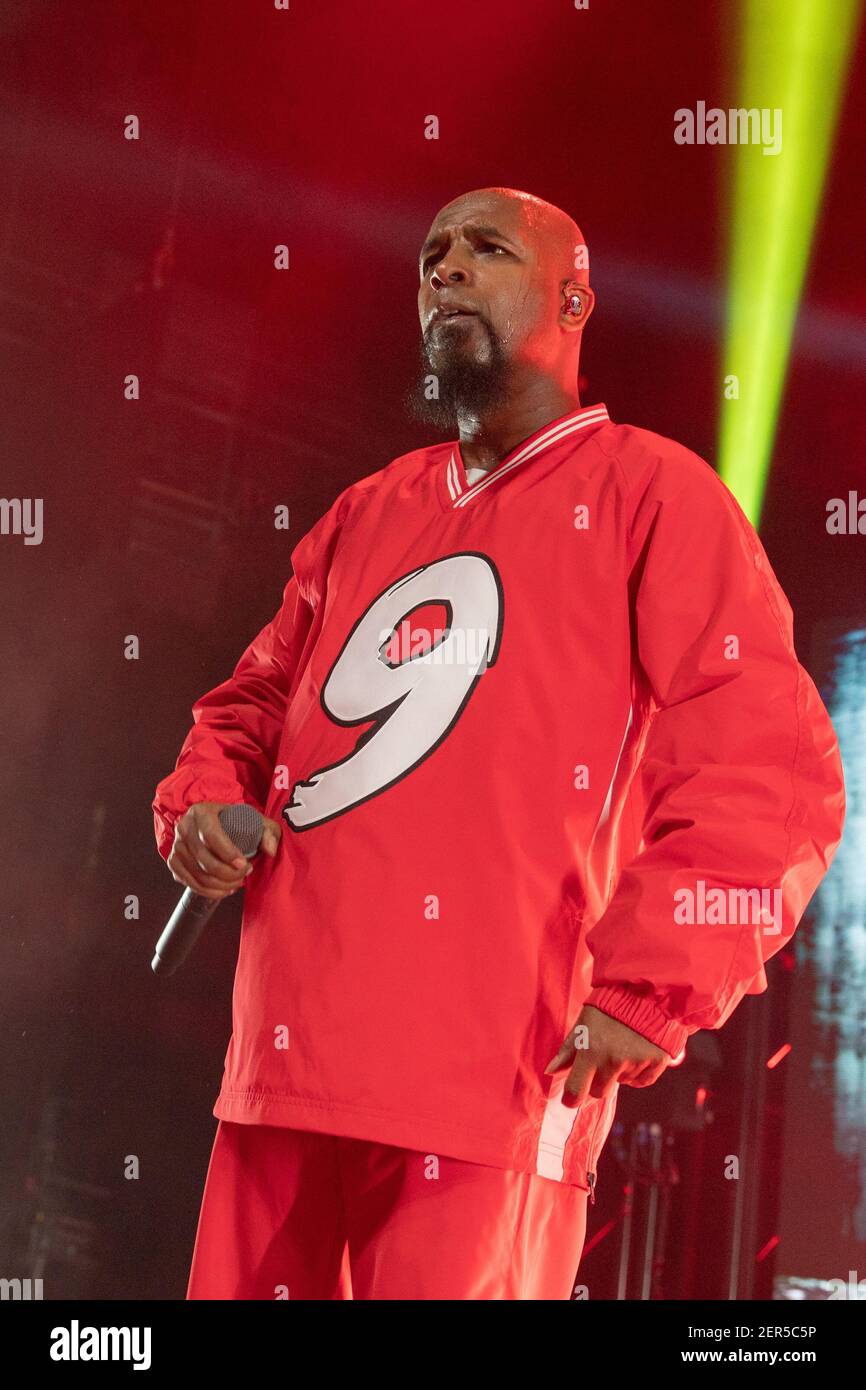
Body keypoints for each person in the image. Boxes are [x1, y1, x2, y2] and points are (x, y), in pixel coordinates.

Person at [153, 186, 845, 1300]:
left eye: (485, 249)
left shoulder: (652, 494)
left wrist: (650, 987)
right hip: (281, 1076)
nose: (446, 271)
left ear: (573, 297)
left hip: (489, 1088)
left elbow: (771, 765)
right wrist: (199, 804)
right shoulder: (365, 511)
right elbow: (246, 706)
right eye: (430, 256)